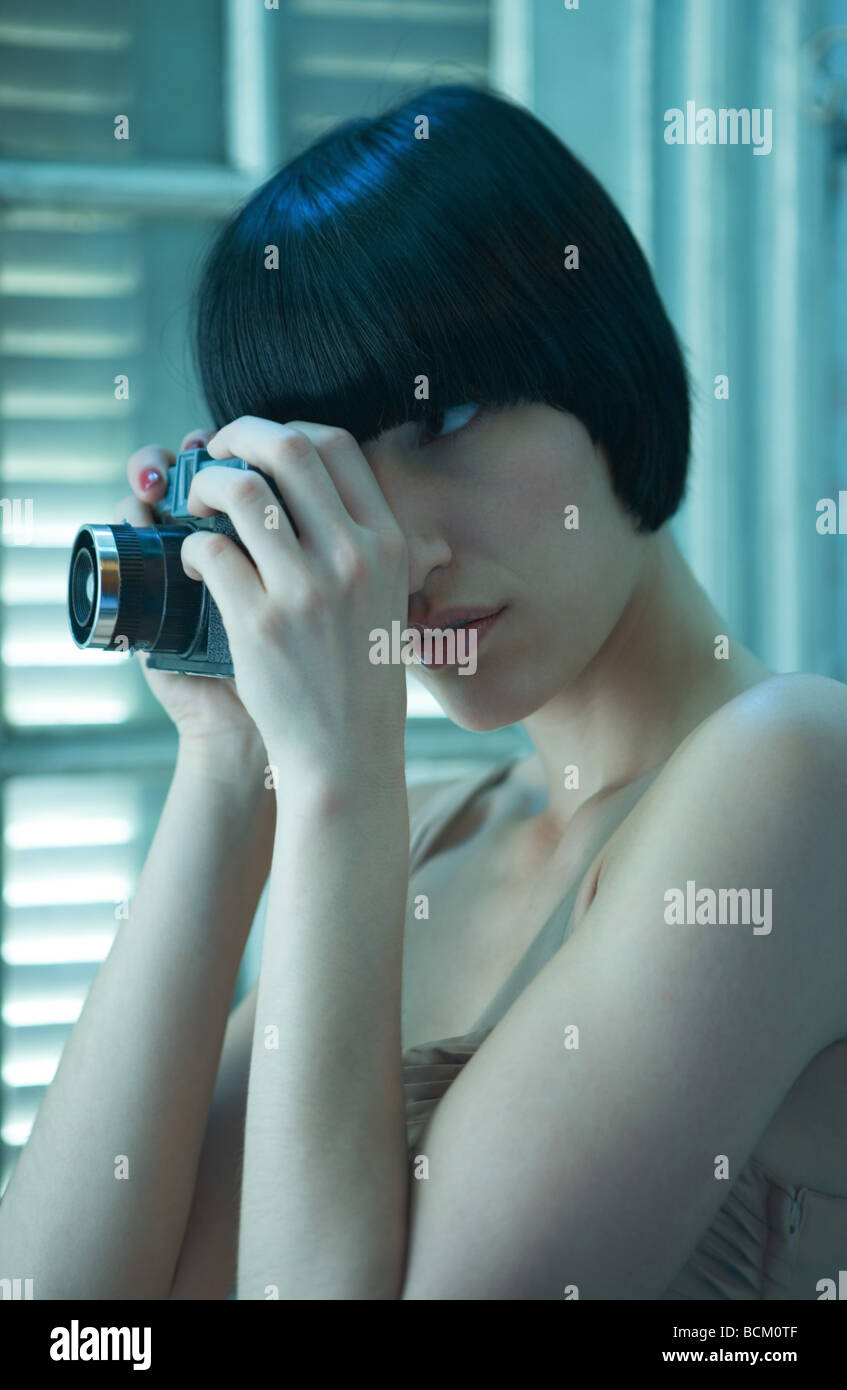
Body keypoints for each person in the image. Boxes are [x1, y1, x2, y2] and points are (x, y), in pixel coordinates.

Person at [2, 83, 846, 1301]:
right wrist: (234, 758)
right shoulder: (432, 844)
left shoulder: (796, 768)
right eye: (335, 474)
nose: (394, 552)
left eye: (443, 418)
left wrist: (342, 777)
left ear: (606, 364)